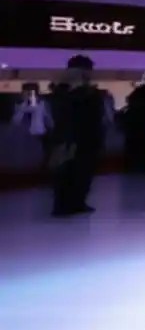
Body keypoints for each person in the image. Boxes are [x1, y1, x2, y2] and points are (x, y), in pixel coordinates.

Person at [47, 55, 108, 217]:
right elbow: (64, 113)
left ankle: (77, 202)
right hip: (68, 138)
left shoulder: (88, 92)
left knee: (83, 172)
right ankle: (63, 205)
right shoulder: (64, 91)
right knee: (66, 172)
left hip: (84, 139)